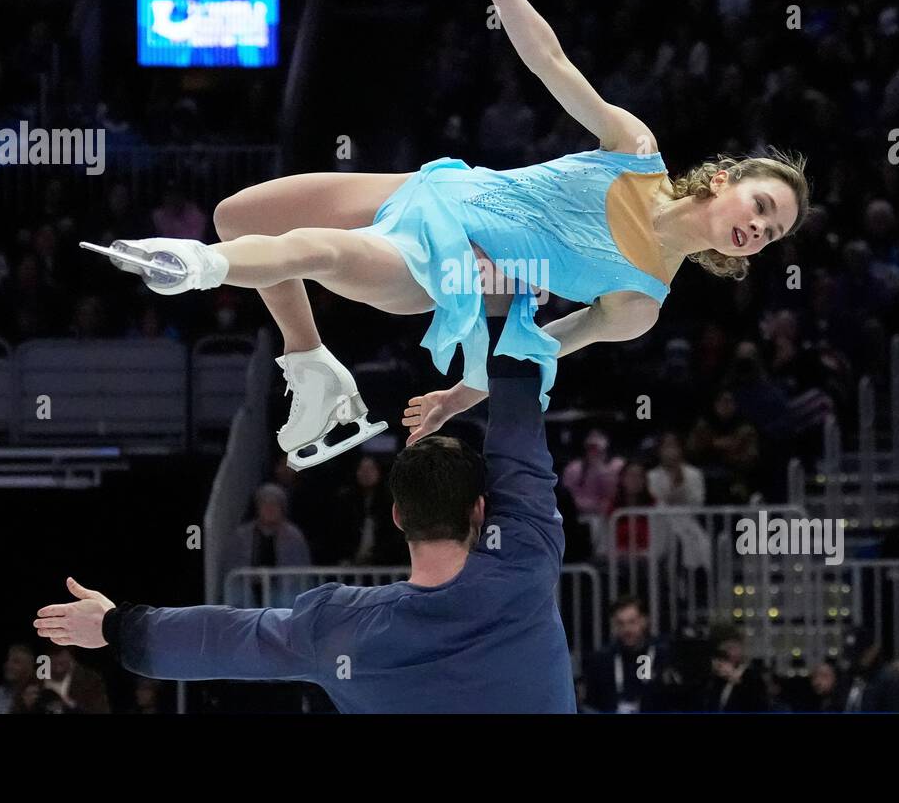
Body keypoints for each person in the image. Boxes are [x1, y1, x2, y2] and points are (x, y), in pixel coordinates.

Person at [84, 0, 809, 470]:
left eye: (771, 232)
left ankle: (195, 268)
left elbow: (538, 345)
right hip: (438, 190)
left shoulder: (640, 302)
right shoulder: (635, 147)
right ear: (724, 181)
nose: (760, 229)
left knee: (318, 250)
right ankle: (310, 367)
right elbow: (549, 62)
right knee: (241, 214)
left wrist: (461, 397)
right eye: (763, 205)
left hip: (446, 270)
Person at [34, 301, 578, 713]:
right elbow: (518, 433)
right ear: (482, 512)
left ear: (396, 518)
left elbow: (223, 640)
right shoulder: (525, 562)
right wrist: (509, 296)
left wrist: (114, 627)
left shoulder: (340, 627)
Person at [581, 597, 682, 713]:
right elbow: (590, 705)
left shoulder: (663, 656)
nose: (627, 629)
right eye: (620, 623)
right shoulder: (601, 660)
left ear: (644, 621)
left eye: (632, 622)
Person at [0, 643, 35, 714]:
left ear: (29, 668)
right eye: (8, 660)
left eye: (16, 662)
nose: (8, 665)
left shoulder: (41, 697)